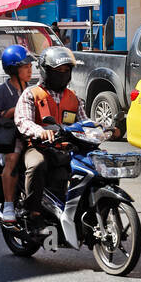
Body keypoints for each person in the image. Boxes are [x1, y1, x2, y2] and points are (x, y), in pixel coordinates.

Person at [15, 46, 109, 217]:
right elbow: (23, 121)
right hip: (38, 147)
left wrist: (101, 129)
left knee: (95, 165)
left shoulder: (73, 98)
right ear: (45, 71)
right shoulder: (31, 94)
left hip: (67, 148)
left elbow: (84, 122)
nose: (63, 74)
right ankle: (32, 211)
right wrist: (39, 131)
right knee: (37, 165)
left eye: (67, 70)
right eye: (58, 70)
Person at [0, 44, 33, 224]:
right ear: (13, 69)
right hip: (9, 137)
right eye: (25, 67)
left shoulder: (32, 90)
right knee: (12, 159)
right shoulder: (2, 91)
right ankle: (8, 205)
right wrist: (9, 112)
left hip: (30, 135)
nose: (30, 70)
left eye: (30, 66)